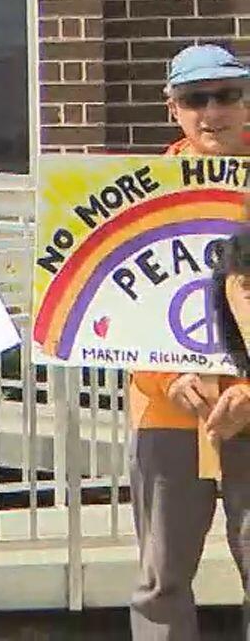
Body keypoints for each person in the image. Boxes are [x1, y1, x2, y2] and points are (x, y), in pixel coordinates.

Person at [129, 43, 250, 640]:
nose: (212, 111)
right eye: (195, 98)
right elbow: (119, 312)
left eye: (226, 95)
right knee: (161, 579)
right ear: (172, 106)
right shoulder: (138, 192)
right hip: (168, 415)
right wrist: (167, 380)